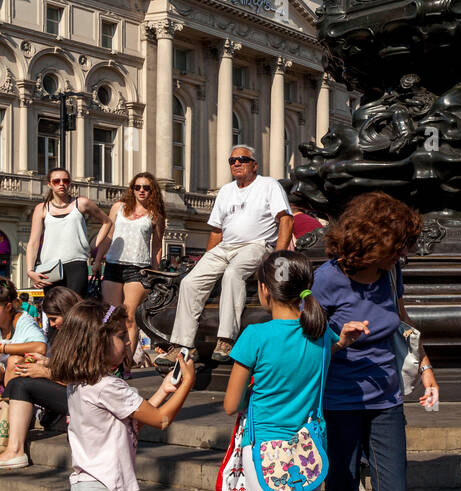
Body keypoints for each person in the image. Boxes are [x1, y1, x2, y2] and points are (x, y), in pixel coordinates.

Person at [311, 191, 439, 491]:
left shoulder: (392, 271)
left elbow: (401, 320)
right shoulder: (327, 278)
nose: (403, 253)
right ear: (373, 240)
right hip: (339, 400)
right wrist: (339, 342)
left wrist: (426, 368)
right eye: (398, 246)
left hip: (385, 398)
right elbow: (307, 342)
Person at [223, 251, 368, 491]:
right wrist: (340, 344)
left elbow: (231, 404)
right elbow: (315, 355)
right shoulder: (321, 334)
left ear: (264, 289)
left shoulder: (255, 336)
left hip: (264, 448)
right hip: (309, 447)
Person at [49, 301, 195, 491]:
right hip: (107, 489)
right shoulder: (108, 386)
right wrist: (187, 384)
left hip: (85, 486)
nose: (128, 341)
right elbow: (160, 420)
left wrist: (164, 390)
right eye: (120, 336)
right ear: (98, 341)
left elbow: (136, 415)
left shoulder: (81, 384)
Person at [156, 145, 293, 366]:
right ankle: (184, 346)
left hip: (256, 244)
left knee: (233, 274)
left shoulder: (269, 185)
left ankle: (226, 339)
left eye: (242, 159)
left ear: (254, 164)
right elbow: (216, 231)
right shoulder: (226, 191)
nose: (237, 163)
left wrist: (279, 254)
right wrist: (206, 263)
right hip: (225, 246)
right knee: (190, 282)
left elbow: (286, 219)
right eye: (232, 161)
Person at [0, 285, 81, 470]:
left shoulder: (83, 336)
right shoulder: (65, 334)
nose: (51, 324)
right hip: (72, 392)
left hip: (83, 397)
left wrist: (45, 372)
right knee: (20, 378)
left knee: (20, 384)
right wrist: (45, 363)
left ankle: (14, 449)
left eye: (53, 319)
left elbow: (86, 378)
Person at [94, 172, 165, 358]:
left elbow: (157, 246)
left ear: (152, 191)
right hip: (112, 265)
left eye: (146, 188)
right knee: (110, 316)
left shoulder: (155, 215)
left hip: (138, 268)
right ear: (132, 189)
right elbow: (108, 237)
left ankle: (126, 364)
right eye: (138, 187)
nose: (141, 191)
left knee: (129, 317)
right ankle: (111, 359)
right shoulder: (118, 207)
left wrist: (155, 271)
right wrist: (96, 261)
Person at [25, 168, 111, 297]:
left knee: (75, 309)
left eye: (65, 180)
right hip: (50, 266)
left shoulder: (82, 203)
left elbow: (107, 222)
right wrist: (30, 270)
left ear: (69, 183)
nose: (61, 184)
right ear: (49, 184)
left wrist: (94, 244)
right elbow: (33, 242)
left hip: (76, 263)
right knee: (54, 309)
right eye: (56, 181)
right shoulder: (41, 208)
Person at [0, 277, 47, 394]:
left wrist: (2, 348)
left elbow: (40, 347)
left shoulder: (23, 320)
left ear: (8, 307)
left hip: (35, 375)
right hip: (6, 374)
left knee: (15, 360)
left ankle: (9, 404)